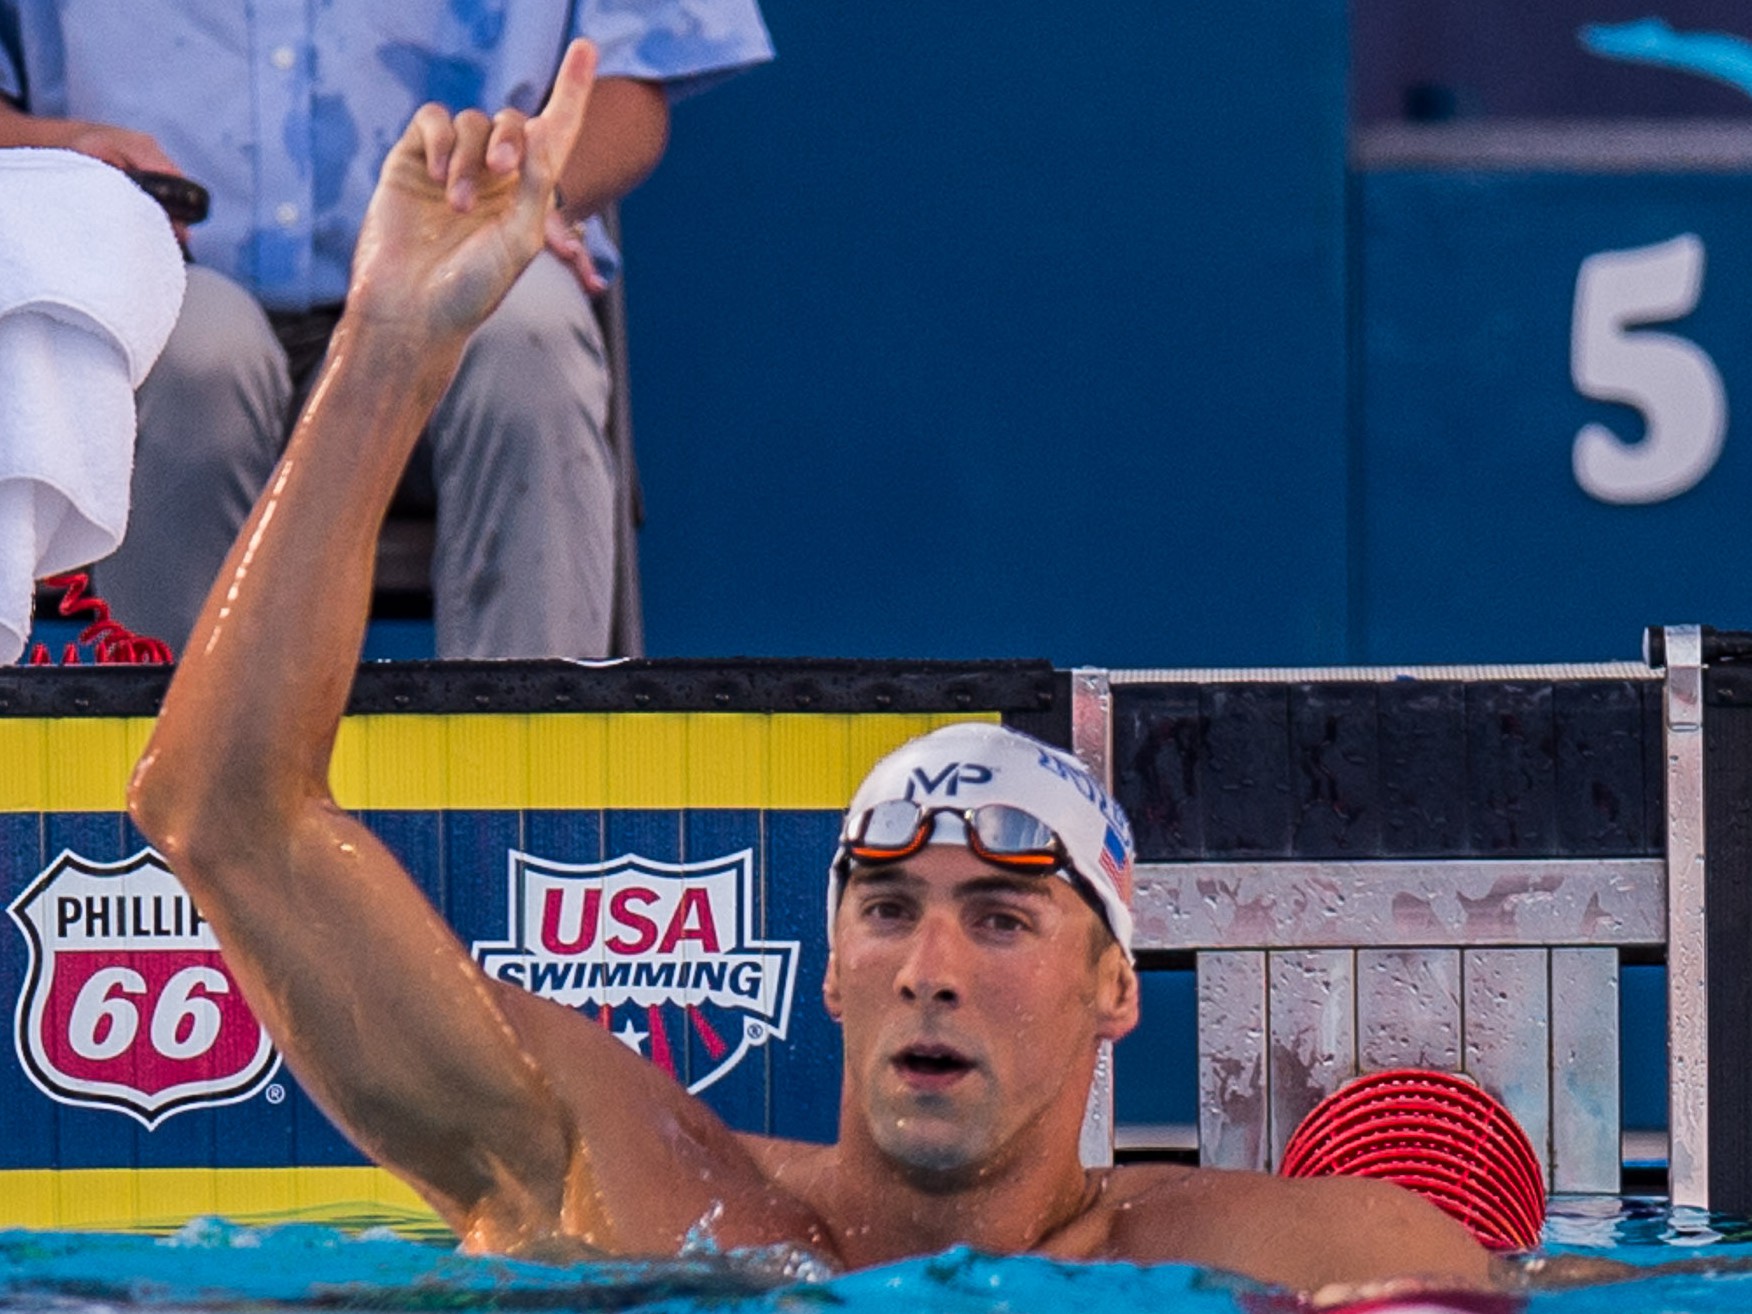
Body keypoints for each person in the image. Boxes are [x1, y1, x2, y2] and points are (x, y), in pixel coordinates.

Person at [127, 45, 1495, 1294]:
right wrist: (391, 342)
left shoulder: (1302, 1250)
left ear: (1115, 987)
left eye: (1004, 918)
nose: (931, 968)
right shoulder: (628, 1178)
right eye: (889, 910)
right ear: (831, 973)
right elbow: (220, 813)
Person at [0, 0, 771, 659]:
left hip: (459, 250)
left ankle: (530, 801)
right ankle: (166, 812)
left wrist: (536, 194)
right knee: (190, 355)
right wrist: (58, 154)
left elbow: (632, 85)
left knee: (529, 333)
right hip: (173, 269)